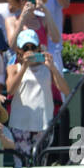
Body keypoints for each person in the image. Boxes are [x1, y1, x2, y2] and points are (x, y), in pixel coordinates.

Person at [5, 28, 67, 156]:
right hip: (20, 124)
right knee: (21, 163)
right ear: (19, 51)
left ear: (39, 48)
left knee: (41, 163)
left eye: (33, 47)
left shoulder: (48, 66)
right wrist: (24, 67)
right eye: (25, 48)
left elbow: (65, 90)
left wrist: (53, 68)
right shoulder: (13, 68)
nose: (30, 51)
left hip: (43, 124)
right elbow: (10, 89)